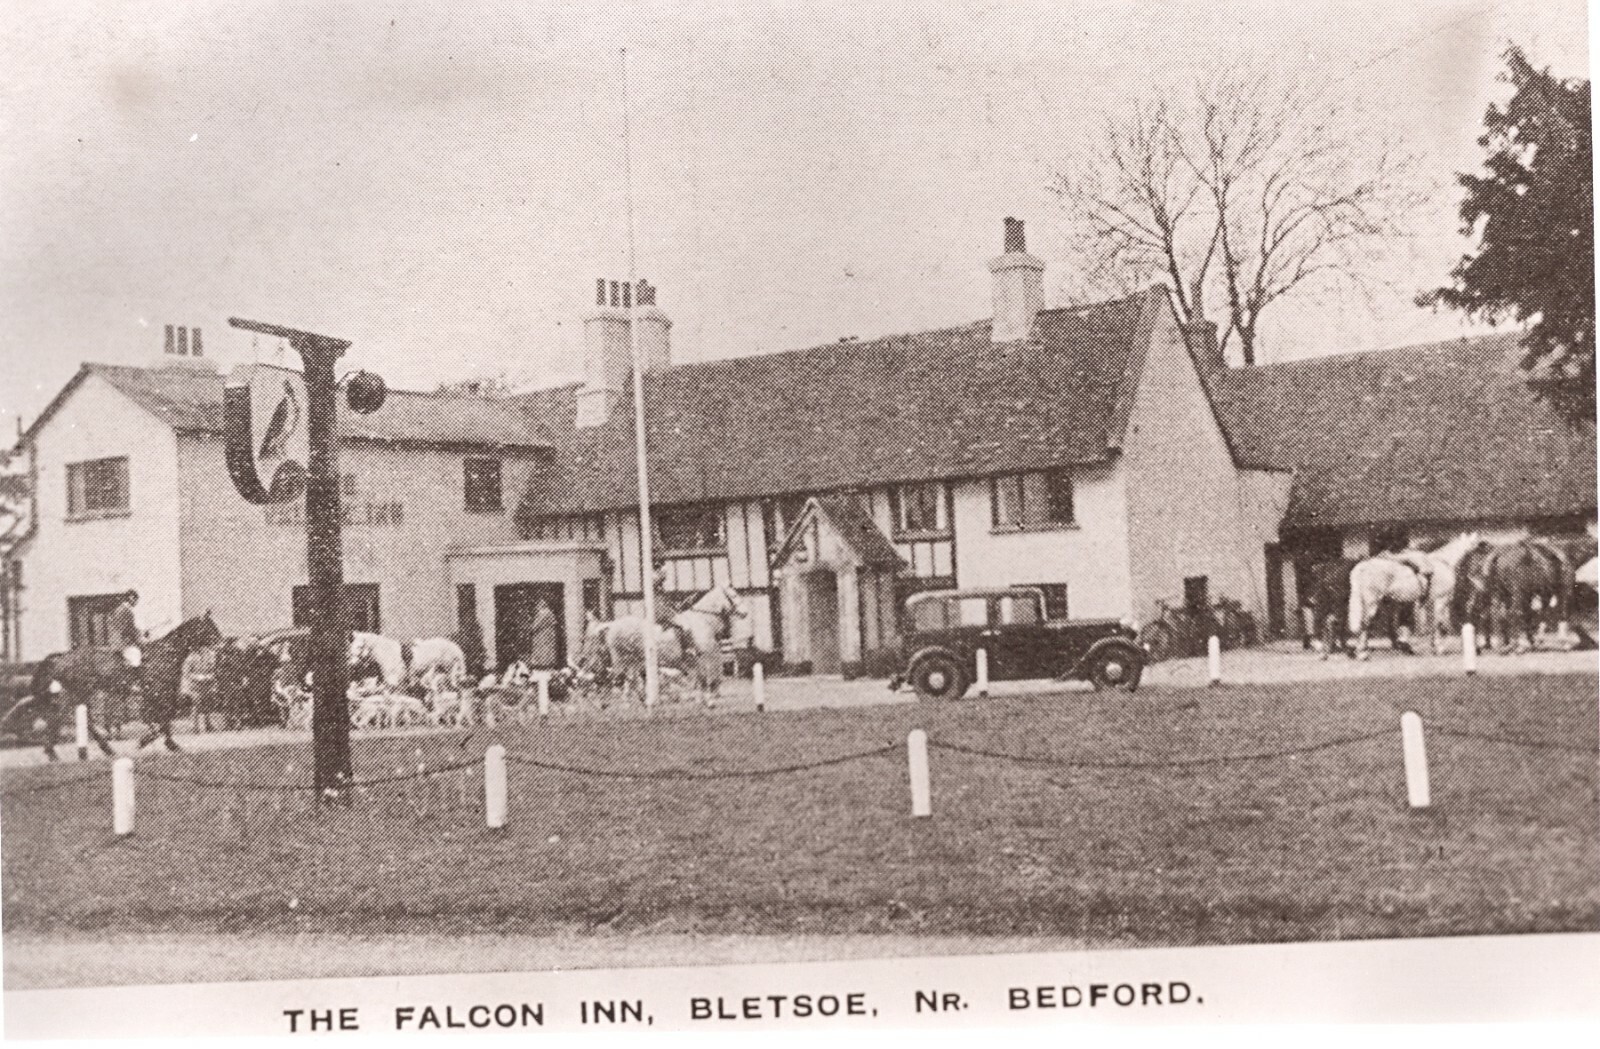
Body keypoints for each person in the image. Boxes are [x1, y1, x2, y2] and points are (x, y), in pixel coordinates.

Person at [109, 589, 142, 668]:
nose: (136, 603)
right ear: (131, 598)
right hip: (123, 643)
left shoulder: (118, 609)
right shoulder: (127, 611)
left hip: (115, 643)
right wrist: (139, 635)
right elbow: (128, 628)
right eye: (136, 600)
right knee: (134, 662)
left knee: (120, 667)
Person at [527, 598, 560, 669]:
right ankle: (547, 663)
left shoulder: (543, 612)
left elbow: (536, 624)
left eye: (538, 605)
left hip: (543, 635)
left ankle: (543, 664)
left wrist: (531, 629)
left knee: (543, 649)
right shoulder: (549, 612)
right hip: (548, 635)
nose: (537, 607)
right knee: (548, 649)